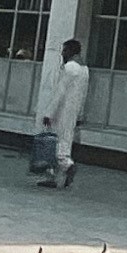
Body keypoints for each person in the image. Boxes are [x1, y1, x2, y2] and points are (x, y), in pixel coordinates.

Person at [34, 35, 89, 191]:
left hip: (62, 110)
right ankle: (58, 175)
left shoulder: (70, 68)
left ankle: (65, 166)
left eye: (64, 50)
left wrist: (49, 113)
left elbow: (60, 92)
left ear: (70, 51)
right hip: (73, 110)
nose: (62, 54)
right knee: (66, 139)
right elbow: (83, 94)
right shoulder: (84, 70)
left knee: (55, 143)